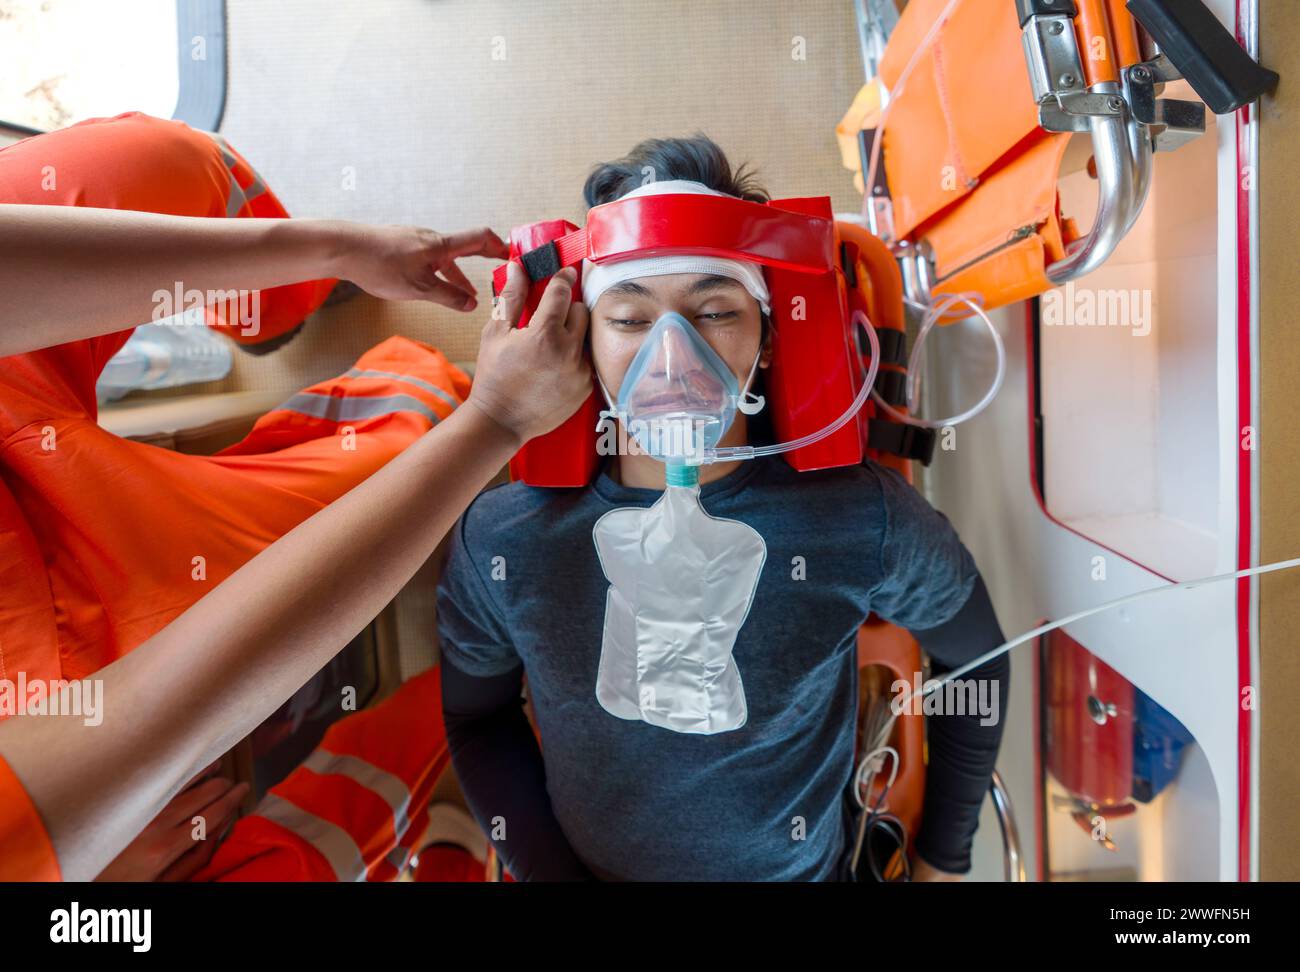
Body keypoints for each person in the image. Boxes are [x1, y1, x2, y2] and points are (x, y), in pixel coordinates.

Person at [436, 135, 1010, 882]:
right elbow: (477, 719)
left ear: (767, 338)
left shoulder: (859, 520)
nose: (672, 357)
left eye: (713, 311)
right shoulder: (506, 541)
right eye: (632, 319)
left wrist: (943, 860)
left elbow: (977, 658)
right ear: (584, 342)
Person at [0, 178, 590, 880]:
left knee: (163, 166)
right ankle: (465, 783)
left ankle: (283, 308)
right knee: (397, 448)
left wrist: (332, 248)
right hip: (54, 658)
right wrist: (496, 421)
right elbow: (171, 708)